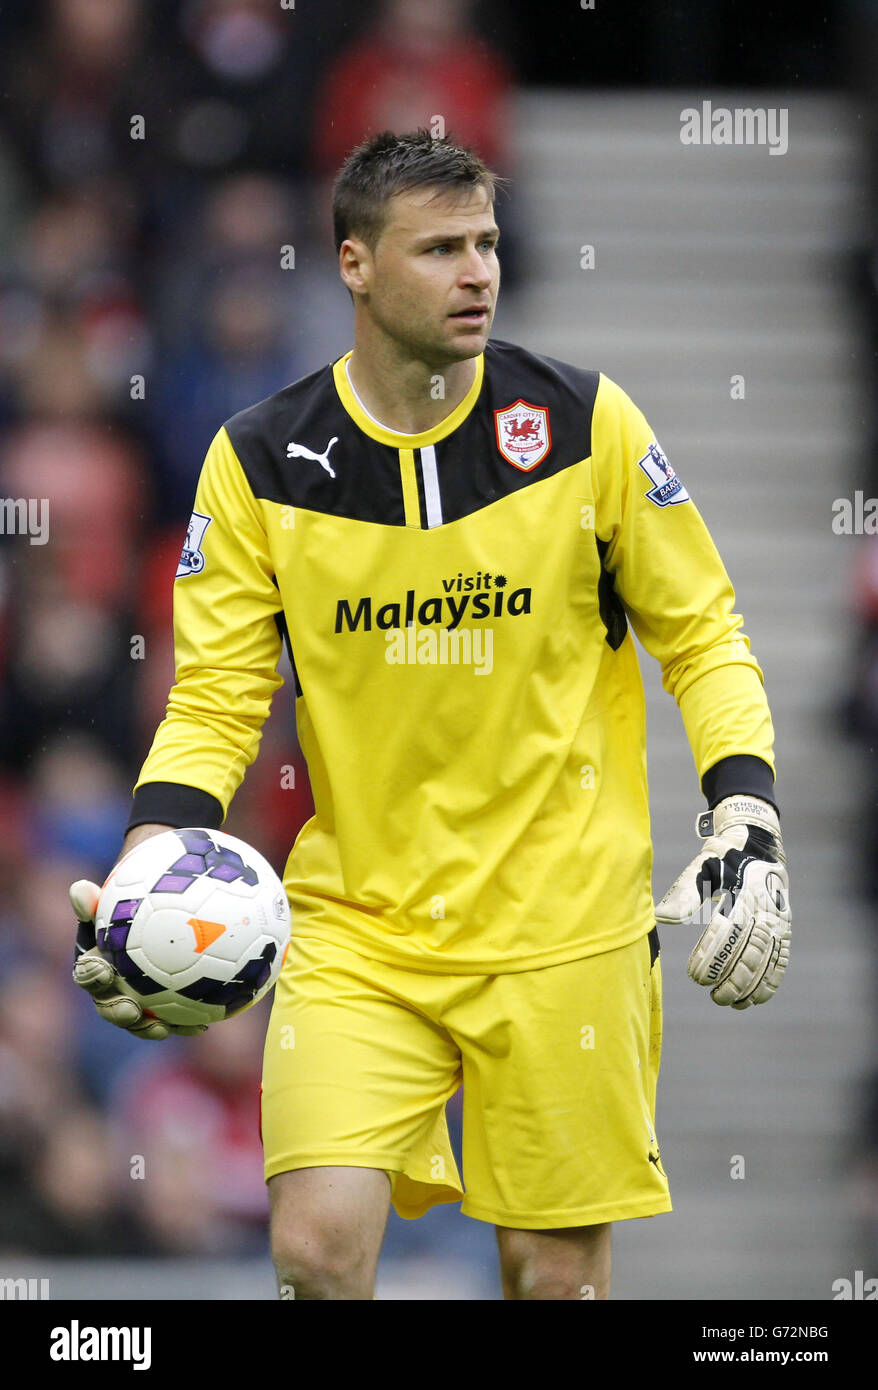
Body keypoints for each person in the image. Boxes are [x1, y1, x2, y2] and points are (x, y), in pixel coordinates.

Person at [70, 129, 791, 1301]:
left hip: (566, 922)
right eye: (441, 248)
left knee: (552, 1281)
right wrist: (147, 865)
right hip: (361, 924)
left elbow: (703, 633)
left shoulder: (585, 425)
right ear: (353, 264)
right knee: (315, 1245)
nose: (477, 274)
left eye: (488, 244)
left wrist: (743, 806)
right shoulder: (256, 464)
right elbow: (213, 698)